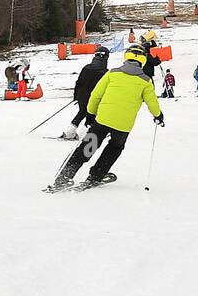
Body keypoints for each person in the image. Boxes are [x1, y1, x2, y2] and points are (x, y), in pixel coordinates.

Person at [50, 43, 163, 190]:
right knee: (114, 148)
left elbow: (96, 95)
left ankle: (65, 177)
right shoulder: (146, 81)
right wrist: (158, 116)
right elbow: (152, 103)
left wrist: (90, 114)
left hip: (102, 119)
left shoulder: (112, 73)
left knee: (88, 147)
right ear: (143, 60)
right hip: (123, 125)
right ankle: (96, 176)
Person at [63, 49, 109, 139]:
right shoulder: (105, 72)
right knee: (94, 115)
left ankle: (70, 132)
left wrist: (76, 96)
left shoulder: (86, 67)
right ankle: (88, 133)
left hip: (82, 96)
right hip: (94, 98)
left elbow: (78, 82)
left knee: (82, 113)